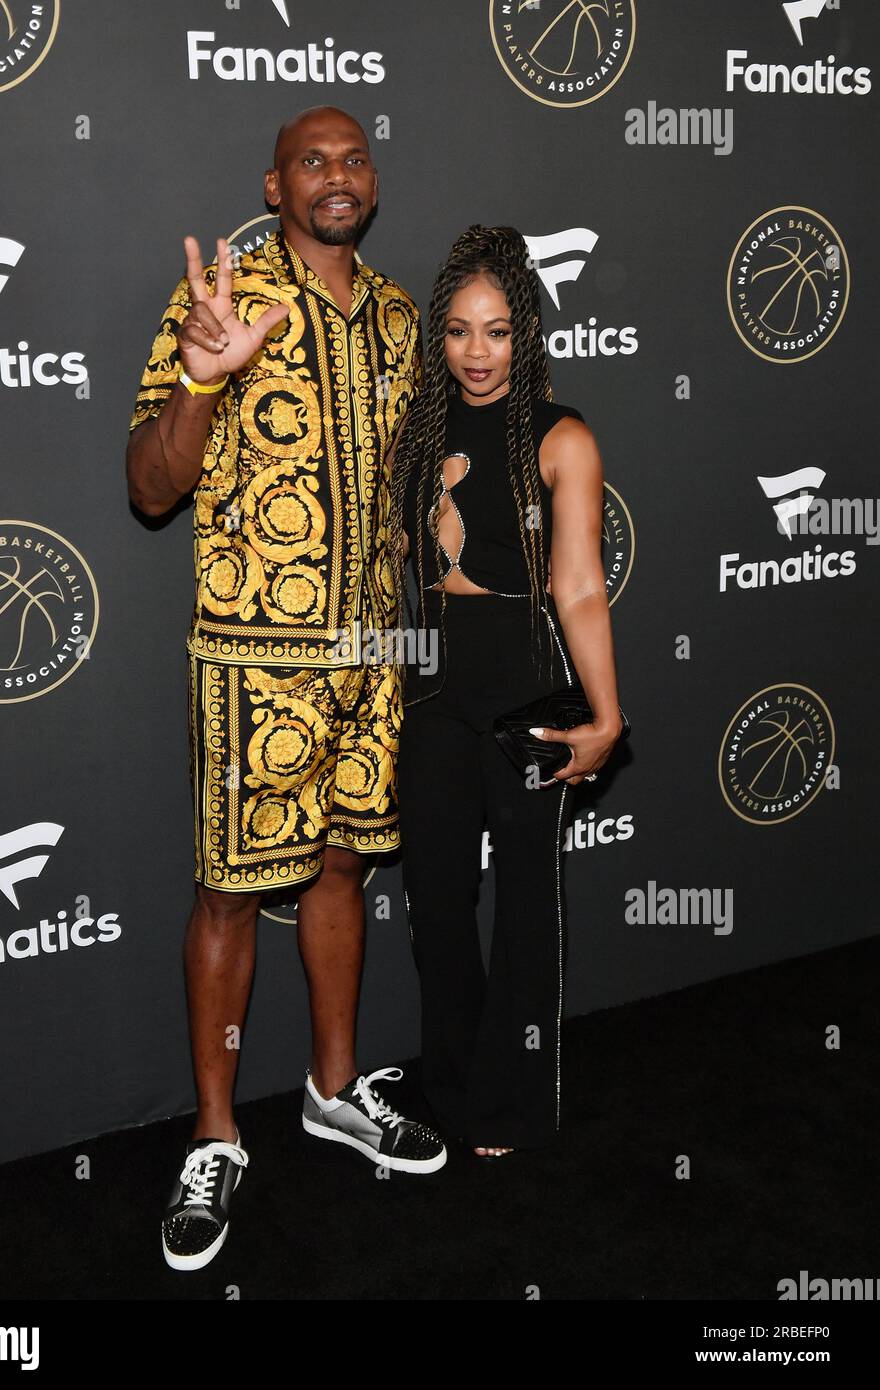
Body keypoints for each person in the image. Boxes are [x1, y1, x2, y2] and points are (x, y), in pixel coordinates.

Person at [126, 106, 446, 1272]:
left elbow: (414, 501)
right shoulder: (223, 293)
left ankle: (332, 1088)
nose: (338, 175)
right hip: (256, 655)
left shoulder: (404, 318)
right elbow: (152, 486)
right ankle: (213, 1134)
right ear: (273, 184)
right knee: (226, 892)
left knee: (345, 865)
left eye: (355, 157)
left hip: (370, 652)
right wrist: (206, 376)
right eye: (312, 160)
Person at [393, 225, 625, 1159]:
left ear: (524, 332)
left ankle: (512, 1101)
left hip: (527, 678)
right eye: (457, 332)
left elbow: (576, 584)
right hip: (432, 682)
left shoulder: (562, 436)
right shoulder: (417, 428)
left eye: (495, 332)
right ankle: (451, 1081)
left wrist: (607, 714)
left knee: (527, 904)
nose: (476, 354)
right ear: (437, 338)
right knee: (437, 900)